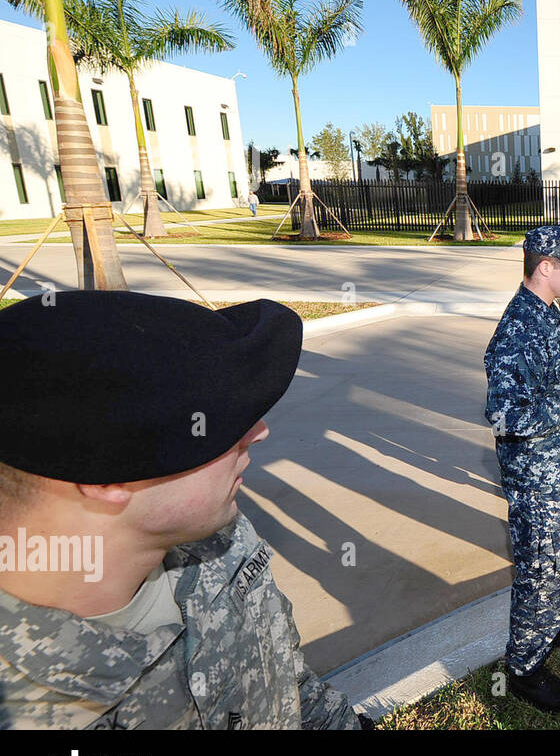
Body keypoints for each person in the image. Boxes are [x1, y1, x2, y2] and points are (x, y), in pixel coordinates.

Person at [0, 291, 361, 729]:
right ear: (106, 478)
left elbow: (293, 688)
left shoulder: (216, 541)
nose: (258, 432)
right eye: (219, 420)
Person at [484, 224, 560, 715]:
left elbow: (542, 380)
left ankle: (551, 621)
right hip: (538, 478)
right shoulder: (516, 329)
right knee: (541, 568)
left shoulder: (548, 311)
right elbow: (504, 415)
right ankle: (524, 667)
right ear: (546, 267)